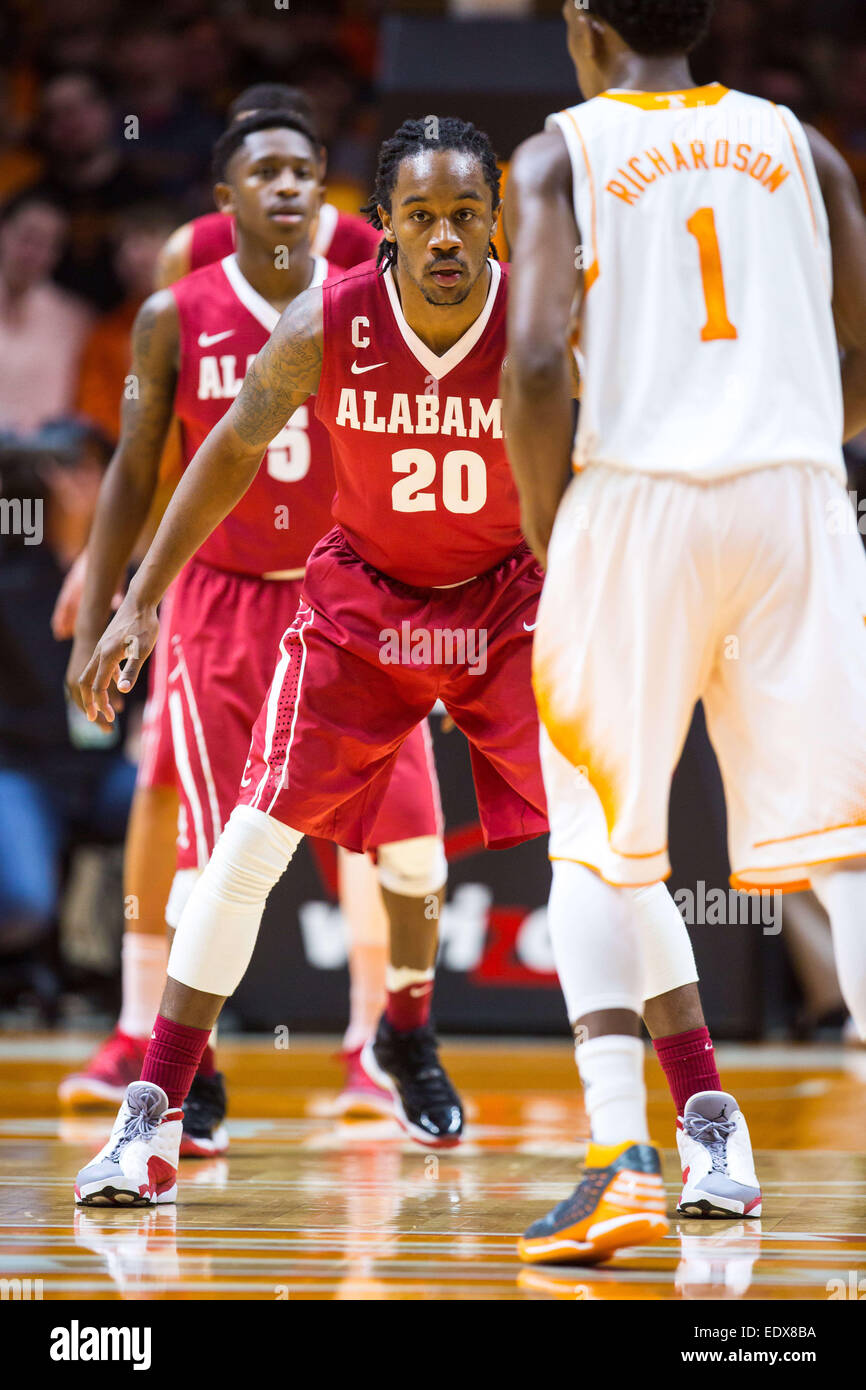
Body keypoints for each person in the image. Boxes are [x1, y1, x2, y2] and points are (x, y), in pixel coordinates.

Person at [72, 116, 755, 1213]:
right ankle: (151, 1115)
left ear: (497, 223)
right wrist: (137, 600)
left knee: (615, 856)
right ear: (380, 225)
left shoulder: (554, 317)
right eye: (421, 216)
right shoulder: (325, 320)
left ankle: (710, 1128)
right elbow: (228, 450)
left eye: (465, 215)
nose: (445, 237)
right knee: (247, 845)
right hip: (360, 605)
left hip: (516, 600)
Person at [503, 0, 866, 1264]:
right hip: (794, 494)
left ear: (582, 24)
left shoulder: (557, 154)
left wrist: (559, 526)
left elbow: (537, 357)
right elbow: (860, 340)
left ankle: (622, 1164)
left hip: (637, 496)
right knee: (852, 854)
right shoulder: (801, 146)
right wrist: (793, 422)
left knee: (600, 844)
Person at [64, 109, 445, 1158]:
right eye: (263, 171)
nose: (287, 188)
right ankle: (189, 1073)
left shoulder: (369, 290)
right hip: (220, 602)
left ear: (326, 189)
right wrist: (109, 601)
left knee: (404, 837)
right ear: (222, 202)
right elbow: (138, 465)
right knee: (208, 844)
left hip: (347, 596)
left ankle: (385, 1044)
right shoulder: (175, 310)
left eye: (304, 172)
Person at [155, 85, 380, 288]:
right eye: (250, 145)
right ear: (228, 163)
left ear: (319, 161)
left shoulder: (372, 248)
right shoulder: (188, 249)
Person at [0, 192, 91, 433]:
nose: (31, 253)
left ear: (56, 254)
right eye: (26, 238)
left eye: (45, 244)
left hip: (46, 452)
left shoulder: (76, 318)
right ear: (4, 232)